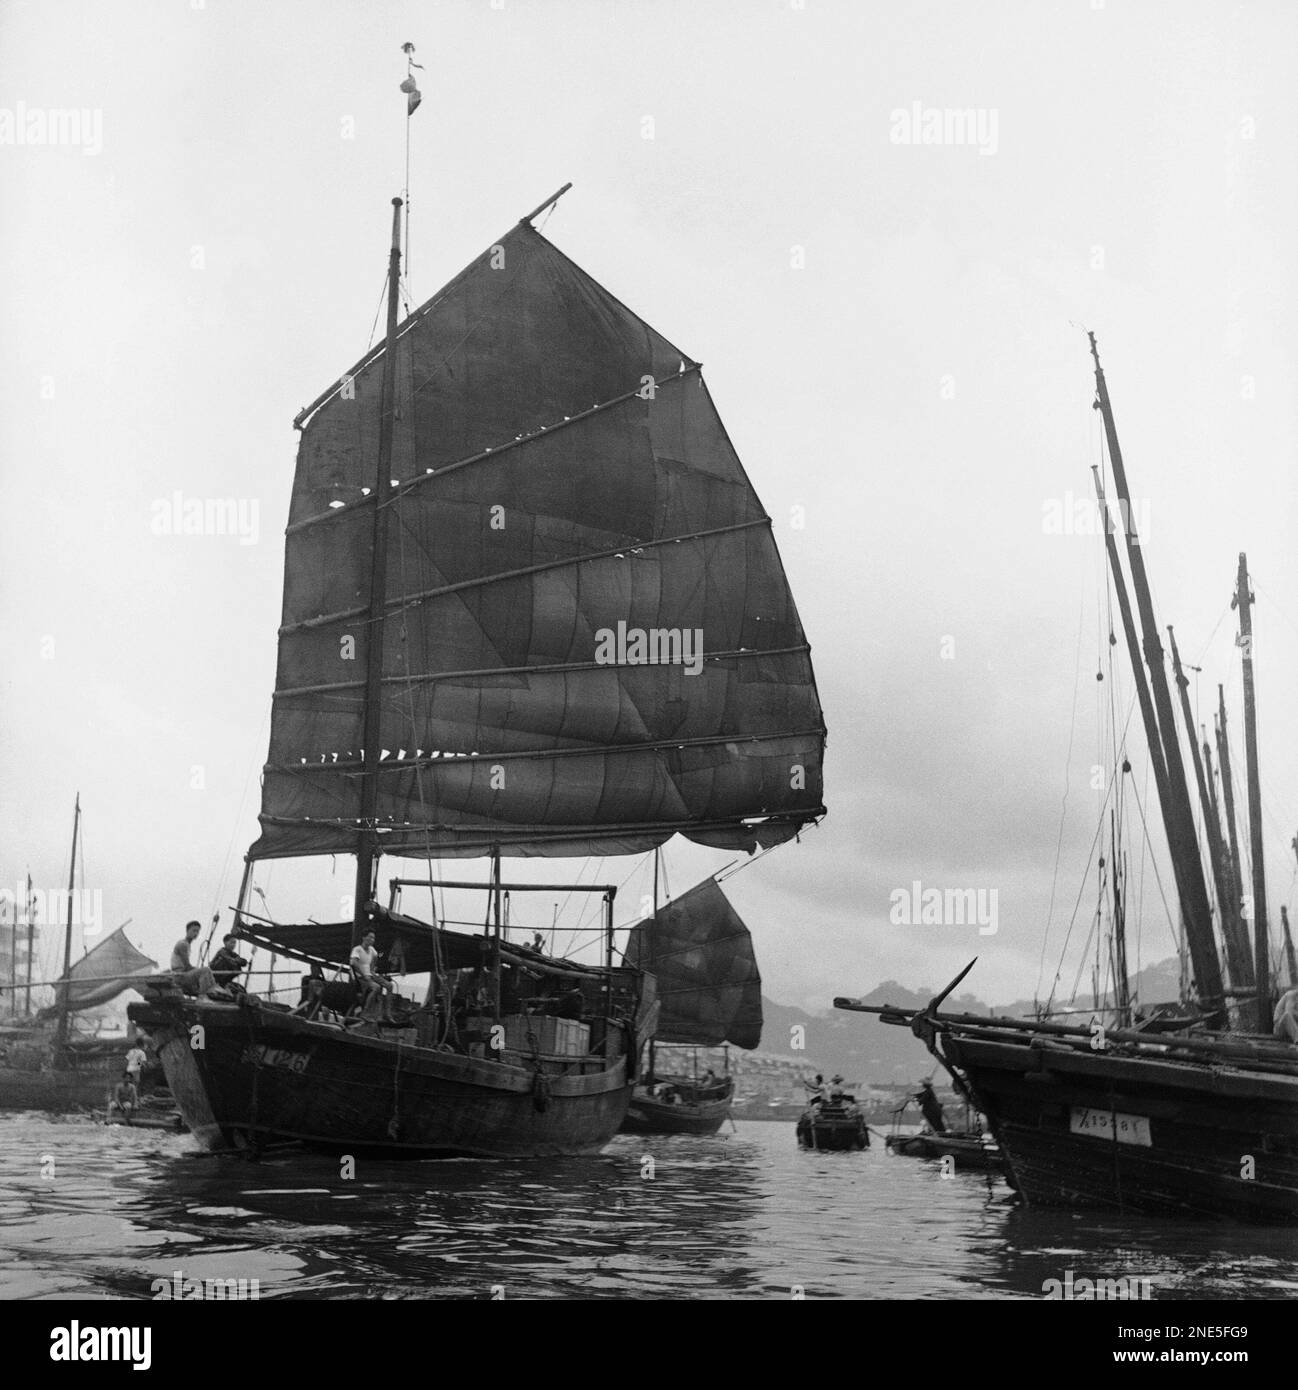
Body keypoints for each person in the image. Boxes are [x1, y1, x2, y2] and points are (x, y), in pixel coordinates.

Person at [350, 929, 396, 1021]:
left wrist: (372, 972)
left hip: (370, 975)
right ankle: (365, 1013)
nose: (372, 940)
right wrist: (364, 975)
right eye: (370, 937)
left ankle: (387, 1013)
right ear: (364, 937)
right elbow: (354, 963)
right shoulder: (357, 949)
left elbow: (374, 961)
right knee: (376, 987)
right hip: (360, 977)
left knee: (390, 985)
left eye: (373, 938)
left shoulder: (372, 950)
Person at [169, 921, 215, 996]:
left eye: (197, 931)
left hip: (183, 974)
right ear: (187, 931)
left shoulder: (187, 944)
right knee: (205, 970)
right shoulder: (182, 944)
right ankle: (203, 996)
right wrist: (198, 970)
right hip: (179, 976)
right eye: (194, 930)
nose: (196, 933)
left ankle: (213, 992)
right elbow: (187, 966)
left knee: (208, 971)